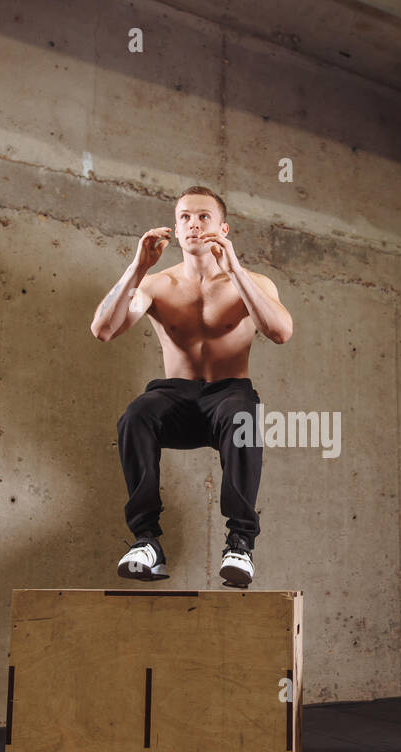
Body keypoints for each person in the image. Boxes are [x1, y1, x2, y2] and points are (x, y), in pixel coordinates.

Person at [91, 186, 293, 587]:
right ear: (177, 227)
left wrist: (234, 268)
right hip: (175, 395)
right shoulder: (157, 285)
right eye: (184, 217)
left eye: (203, 217)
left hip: (228, 393)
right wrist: (137, 267)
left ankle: (239, 543)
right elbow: (103, 330)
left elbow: (281, 332)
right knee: (136, 415)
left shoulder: (252, 282)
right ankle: (147, 542)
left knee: (244, 415)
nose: (193, 224)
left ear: (223, 228)